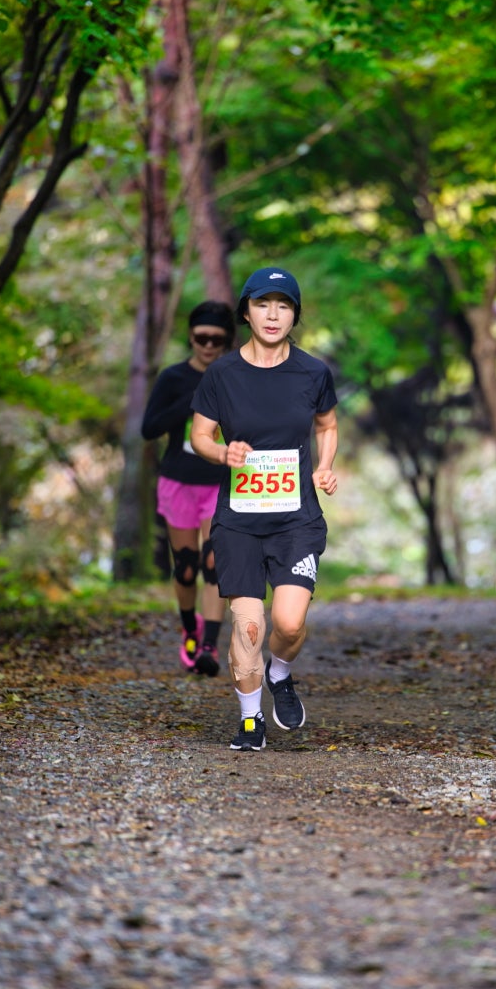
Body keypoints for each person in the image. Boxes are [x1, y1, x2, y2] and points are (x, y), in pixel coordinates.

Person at [190, 266, 338, 751]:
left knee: (289, 624)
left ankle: (281, 672)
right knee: (249, 626)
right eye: (262, 304)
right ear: (247, 312)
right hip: (238, 523)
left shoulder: (313, 371)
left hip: (297, 520)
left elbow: (326, 425)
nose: (273, 314)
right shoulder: (223, 373)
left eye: (284, 305)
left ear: (294, 314)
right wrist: (222, 453)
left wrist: (324, 466)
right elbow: (200, 434)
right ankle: (250, 721)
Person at [142, 301, 235, 674]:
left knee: (214, 563)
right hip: (178, 481)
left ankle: (210, 645)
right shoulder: (173, 378)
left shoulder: (235, 377)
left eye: (217, 339)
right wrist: (191, 401)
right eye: (201, 338)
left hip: (220, 483)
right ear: (191, 338)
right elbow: (148, 429)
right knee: (185, 568)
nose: (209, 346)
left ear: (228, 340)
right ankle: (190, 630)